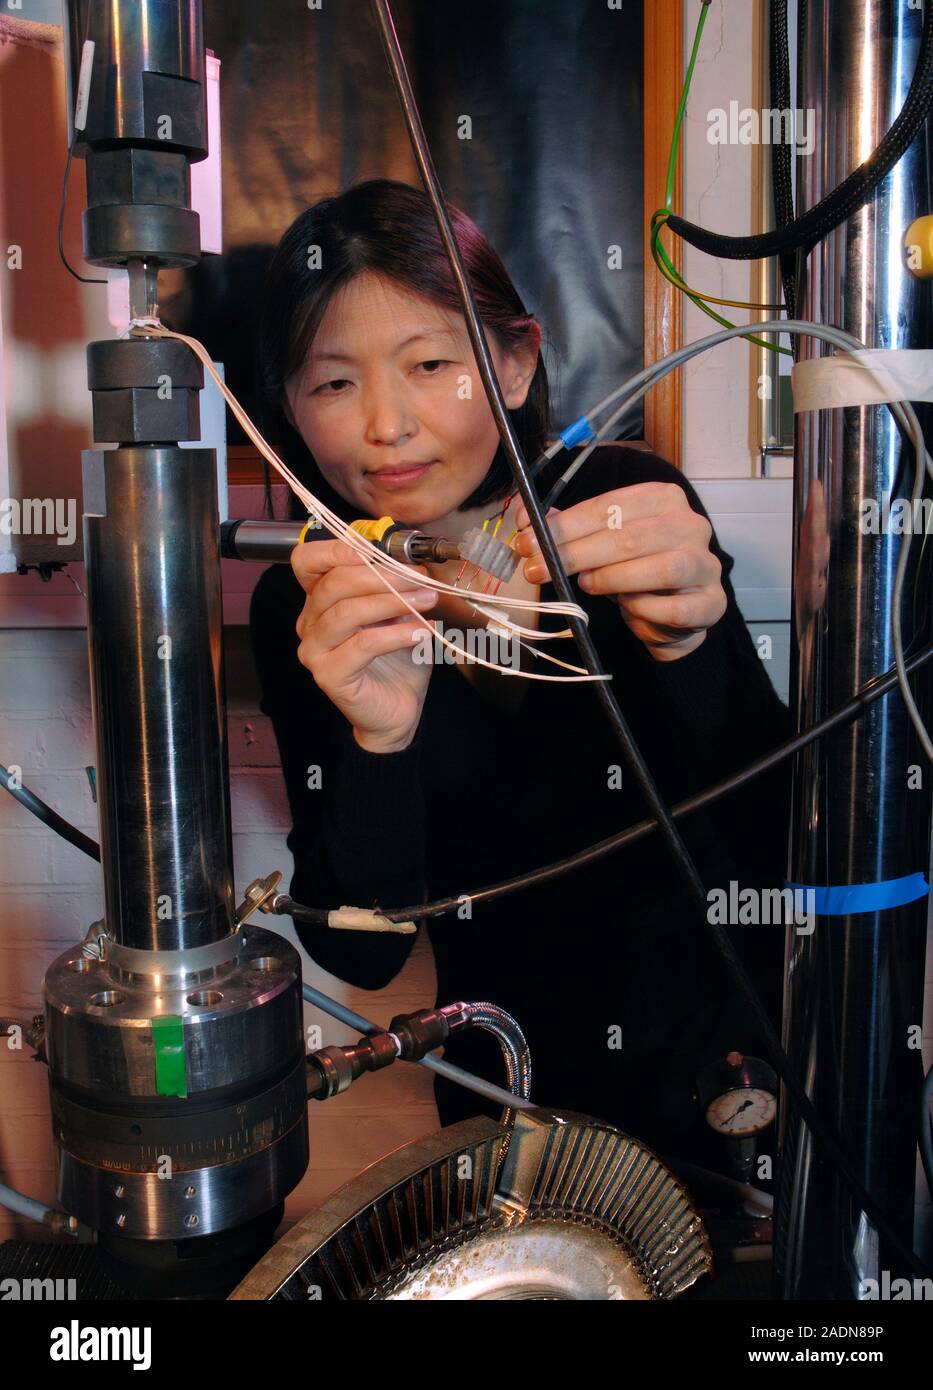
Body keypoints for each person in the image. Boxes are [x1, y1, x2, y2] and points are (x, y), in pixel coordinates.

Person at [249, 178, 792, 1170]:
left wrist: (693, 647)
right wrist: (379, 739)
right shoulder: (309, 606)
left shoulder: (625, 506)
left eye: (429, 364)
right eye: (332, 383)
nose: (386, 425)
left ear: (513, 360)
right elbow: (363, 950)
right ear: (284, 403)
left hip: (725, 1066)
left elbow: (781, 833)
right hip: (502, 1089)